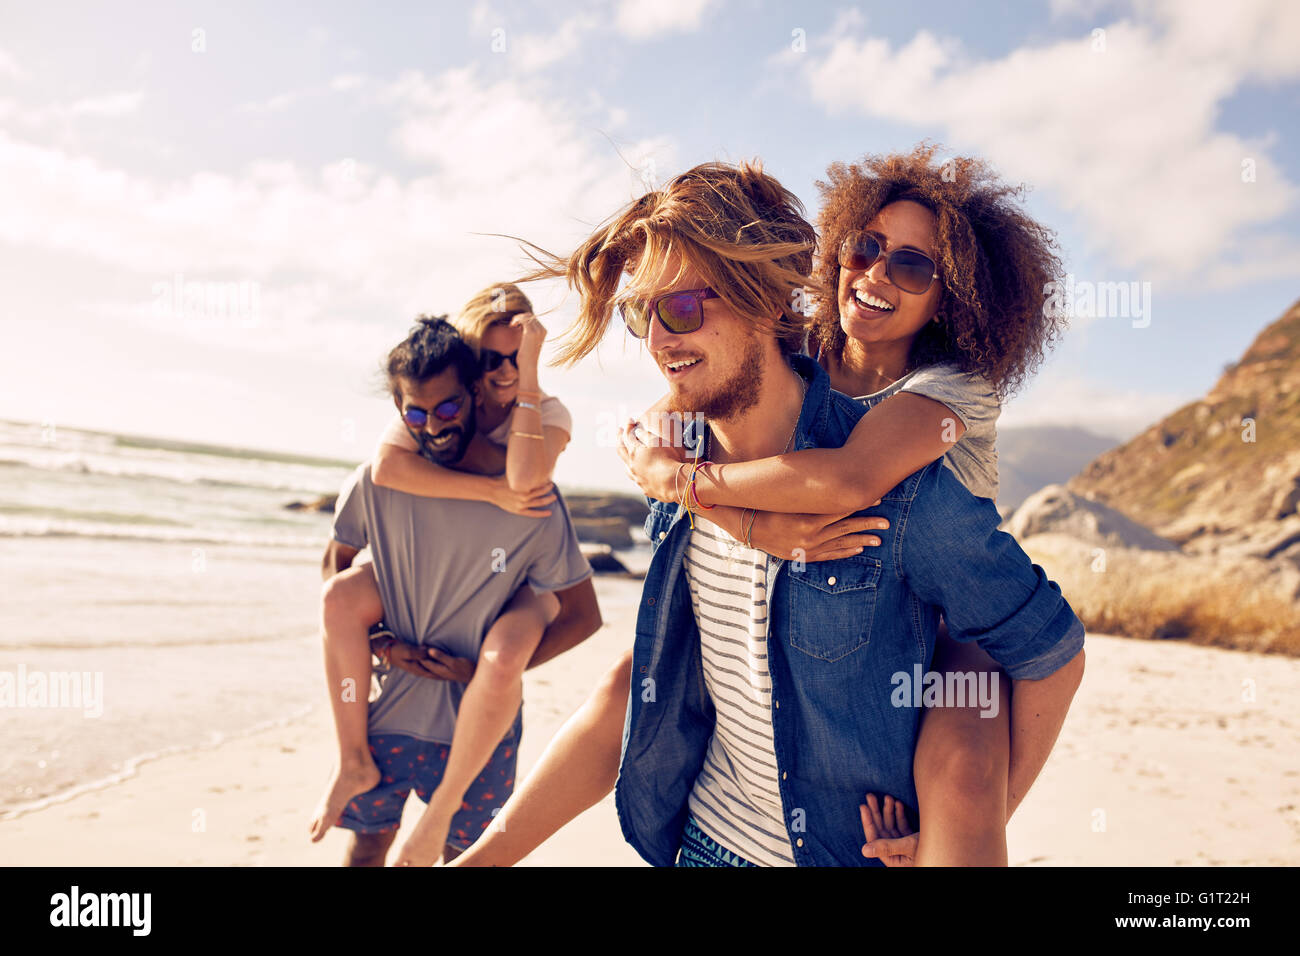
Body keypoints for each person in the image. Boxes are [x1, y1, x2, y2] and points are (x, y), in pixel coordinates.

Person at [453, 158, 1084, 867]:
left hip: (858, 816)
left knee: (966, 762)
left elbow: (1043, 644)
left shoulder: (914, 469)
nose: (658, 342)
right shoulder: (687, 447)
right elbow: (634, 691)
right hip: (702, 844)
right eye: (644, 313)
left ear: (763, 301)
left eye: (684, 308)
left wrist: (990, 814)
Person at [316, 315, 601, 866]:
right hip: (389, 713)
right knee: (368, 846)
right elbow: (336, 562)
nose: (433, 426)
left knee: (456, 859)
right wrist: (380, 642)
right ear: (399, 413)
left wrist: (493, 672)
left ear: (473, 395)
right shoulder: (377, 481)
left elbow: (582, 616)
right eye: (415, 414)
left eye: (447, 409)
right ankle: (348, 761)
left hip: (481, 730)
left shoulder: (531, 500)